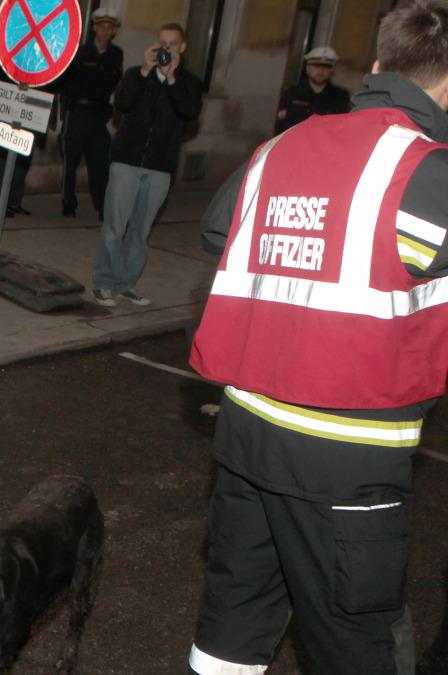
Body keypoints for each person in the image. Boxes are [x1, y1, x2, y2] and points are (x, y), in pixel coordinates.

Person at [186, 2, 448, 672]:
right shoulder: (427, 171)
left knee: (229, 633)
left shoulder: (281, 146)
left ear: (379, 65)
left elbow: (218, 232)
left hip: (246, 435)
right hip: (348, 457)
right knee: (355, 645)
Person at [91, 22, 202, 308]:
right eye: (162, 43)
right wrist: (144, 71)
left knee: (140, 231)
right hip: (126, 162)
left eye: (173, 44)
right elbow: (122, 103)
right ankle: (104, 283)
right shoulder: (136, 74)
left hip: (160, 167)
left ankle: (126, 284)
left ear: (182, 47)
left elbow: (190, 110)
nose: (167, 49)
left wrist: (172, 78)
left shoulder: (188, 82)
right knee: (114, 227)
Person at [55, 7, 123, 219]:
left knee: (100, 163)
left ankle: (103, 207)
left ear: (114, 31)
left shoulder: (116, 55)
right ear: (94, 28)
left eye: (109, 27)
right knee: (70, 161)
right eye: (101, 26)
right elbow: (65, 82)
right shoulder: (80, 52)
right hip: (77, 113)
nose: (105, 31)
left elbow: (113, 82)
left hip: (98, 116)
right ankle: (68, 203)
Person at [0, 49, 34, 217]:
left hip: (29, 110)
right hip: (9, 109)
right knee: (4, 159)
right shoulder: (8, 49)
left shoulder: (36, 55)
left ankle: (13, 201)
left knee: (24, 158)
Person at [274, 45, 352, 134]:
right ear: (308, 68)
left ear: (332, 70)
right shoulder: (292, 93)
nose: (321, 70)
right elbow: (280, 127)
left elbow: (342, 128)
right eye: (316, 66)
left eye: (326, 67)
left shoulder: (340, 96)